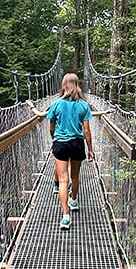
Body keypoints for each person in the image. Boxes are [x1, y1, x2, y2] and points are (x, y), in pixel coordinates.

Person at [30, 73, 95, 230]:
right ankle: (74, 200)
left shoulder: (56, 104)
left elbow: (51, 127)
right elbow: (86, 130)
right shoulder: (84, 105)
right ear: (77, 85)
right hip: (77, 143)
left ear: (63, 85)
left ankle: (65, 217)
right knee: (75, 176)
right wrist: (90, 150)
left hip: (61, 144)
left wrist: (55, 139)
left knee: (63, 180)